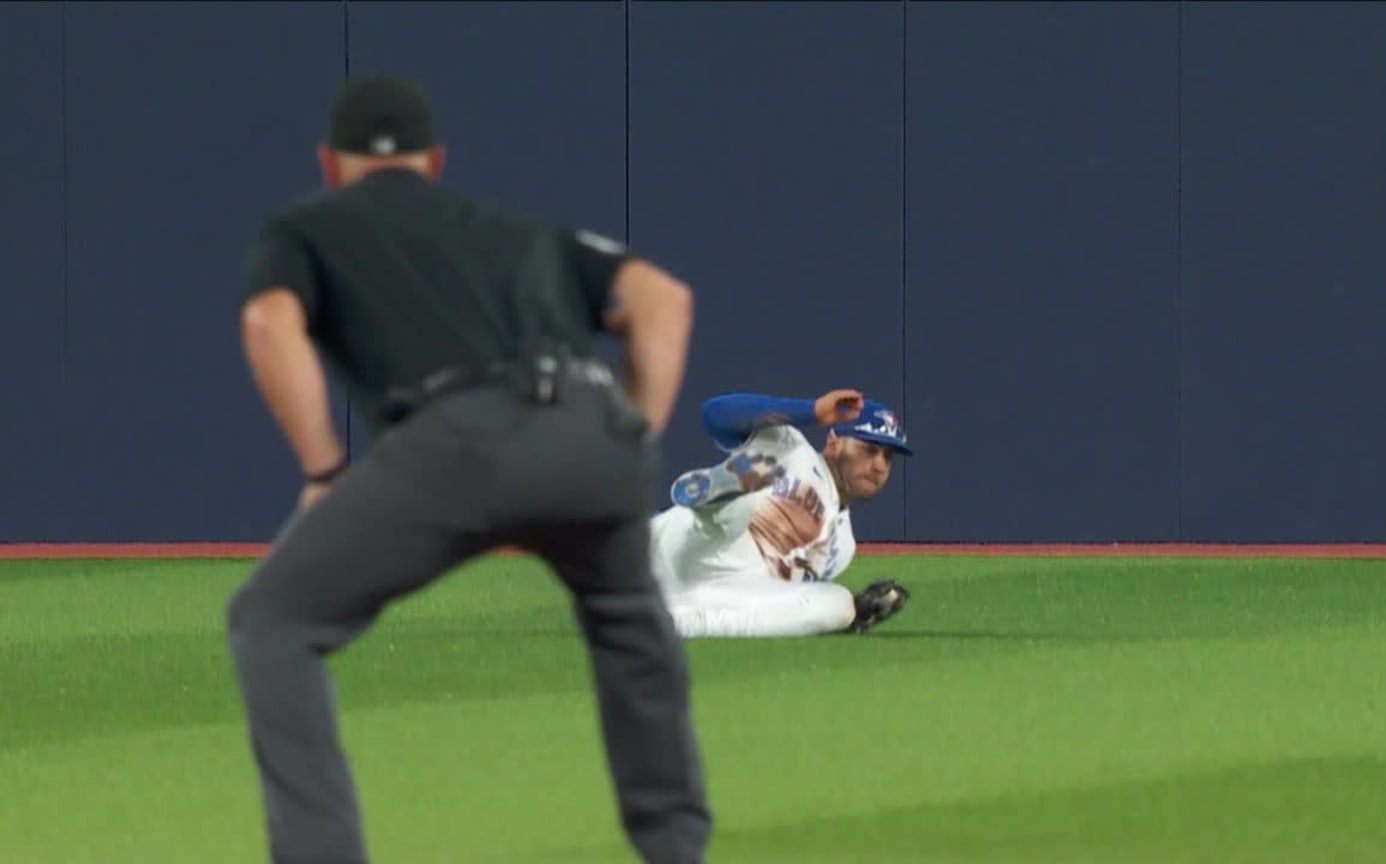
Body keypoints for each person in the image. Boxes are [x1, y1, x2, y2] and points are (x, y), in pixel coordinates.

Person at [225, 75, 711, 864]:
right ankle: (675, 849)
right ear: (435, 161)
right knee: (630, 627)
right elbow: (665, 299)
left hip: (458, 441)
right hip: (591, 433)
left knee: (273, 622)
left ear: (328, 161)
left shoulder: (306, 227)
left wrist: (322, 467)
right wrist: (634, 433)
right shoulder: (515, 231)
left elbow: (267, 322)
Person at [647, 388, 914, 638]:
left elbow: (785, 606)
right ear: (834, 443)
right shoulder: (791, 448)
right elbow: (715, 413)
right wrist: (812, 411)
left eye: (887, 457)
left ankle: (678, 621)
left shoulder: (844, 546)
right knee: (741, 507)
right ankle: (718, 496)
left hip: (722, 592)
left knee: (840, 604)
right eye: (869, 449)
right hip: (679, 552)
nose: (879, 465)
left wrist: (854, 616)